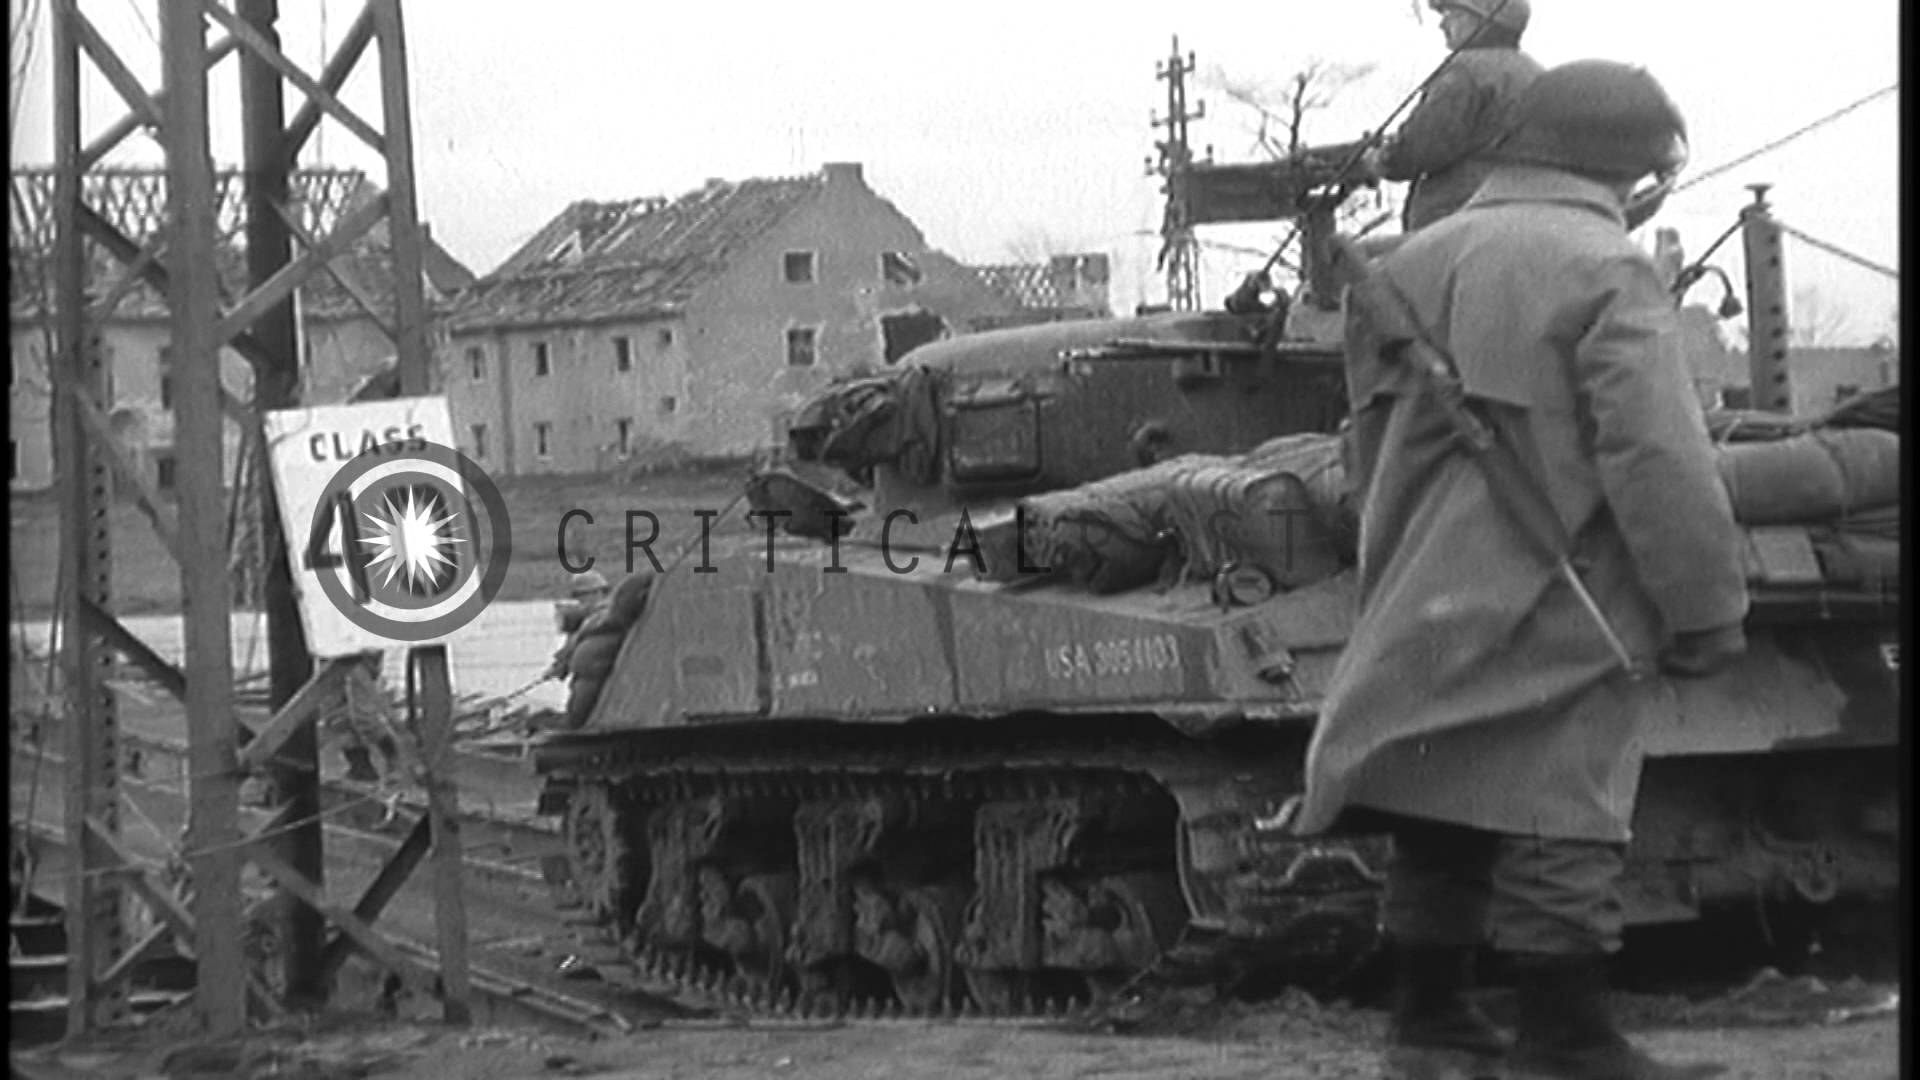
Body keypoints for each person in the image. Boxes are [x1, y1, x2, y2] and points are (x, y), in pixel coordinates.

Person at [1298, 61, 1750, 1080]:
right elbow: (1658, 458)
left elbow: (1363, 452)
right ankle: (1565, 1036)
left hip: (1424, 576)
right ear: (1637, 164)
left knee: (1443, 791)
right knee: (1562, 800)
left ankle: (1430, 1021)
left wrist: (1405, 556)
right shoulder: (1605, 264)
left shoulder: (1409, 263)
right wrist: (1706, 607)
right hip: (1567, 582)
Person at [1362, 0, 1543, 232]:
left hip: (1456, 223)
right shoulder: (1536, 74)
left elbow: (1422, 147)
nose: (1443, 24)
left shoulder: (1464, 72)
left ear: (1481, 20)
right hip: (1525, 220)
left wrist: (1381, 160)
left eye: (1452, 14)